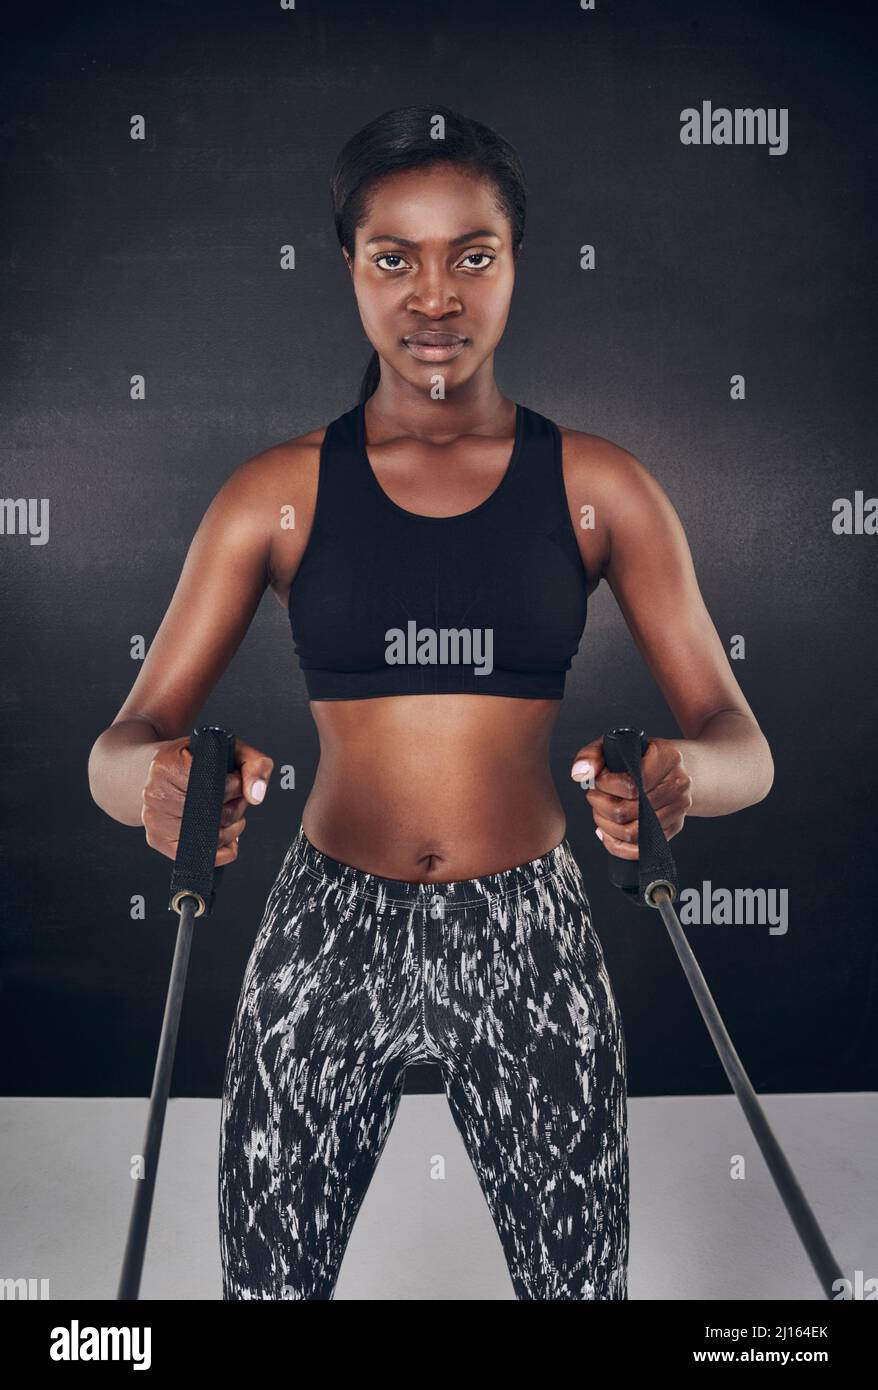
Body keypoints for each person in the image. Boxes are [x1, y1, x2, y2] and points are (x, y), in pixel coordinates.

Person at [88, 105, 774, 1301]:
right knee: (268, 1287)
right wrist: (150, 783)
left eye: (472, 253)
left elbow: (740, 744)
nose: (434, 295)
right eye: (392, 257)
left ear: (514, 262)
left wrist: (680, 773)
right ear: (348, 266)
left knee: (578, 1289)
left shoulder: (599, 485)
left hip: (529, 936)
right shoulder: (278, 492)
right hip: (323, 934)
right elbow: (120, 743)